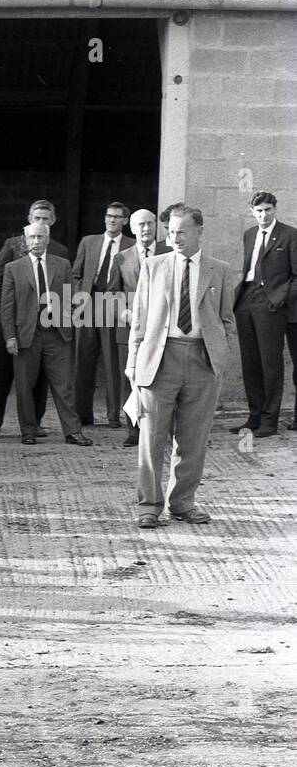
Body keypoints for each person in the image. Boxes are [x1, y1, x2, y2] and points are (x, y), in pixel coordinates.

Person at [127, 205, 234, 527]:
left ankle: (183, 503)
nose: (175, 238)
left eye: (182, 232)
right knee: (151, 437)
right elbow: (140, 319)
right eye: (170, 232)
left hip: (202, 360)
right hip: (160, 359)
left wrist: (221, 355)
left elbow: (227, 320)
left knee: (193, 439)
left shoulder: (220, 269)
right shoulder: (153, 267)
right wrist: (133, 364)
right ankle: (149, 505)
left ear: (199, 231)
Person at [0, 223, 91, 447]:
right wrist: (10, 336)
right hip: (26, 333)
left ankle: (73, 431)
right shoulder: (14, 268)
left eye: (41, 237)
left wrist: (69, 322)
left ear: (48, 239)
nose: (37, 241)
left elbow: (70, 298)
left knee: (64, 384)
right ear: (25, 240)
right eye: (32, 237)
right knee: (24, 384)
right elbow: (7, 306)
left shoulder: (62, 265)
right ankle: (28, 430)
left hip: (56, 332)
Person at [234, 191, 294, 439]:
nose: (263, 215)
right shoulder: (249, 235)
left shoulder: (290, 235)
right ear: (252, 211)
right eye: (259, 210)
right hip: (246, 300)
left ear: (275, 209)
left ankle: (270, 420)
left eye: (268, 209)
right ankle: (254, 416)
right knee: (251, 362)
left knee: (271, 363)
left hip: (270, 304)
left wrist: (278, 298)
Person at [71, 203, 132, 429]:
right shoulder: (89, 242)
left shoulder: (131, 246)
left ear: (125, 221)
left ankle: (114, 415)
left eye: (117, 217)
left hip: (114, 304)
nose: (112, 220)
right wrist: (78, 296)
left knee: (113, 362)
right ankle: (82, 414)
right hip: (88, 303)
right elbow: (76, 273)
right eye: (109, 216)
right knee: (83, 360)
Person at [115, 209, 165, 447]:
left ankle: (159, 429)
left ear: (156, 226)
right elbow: (113, 292)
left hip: (162, 328)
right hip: (130, 327)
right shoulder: (122, 257)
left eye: (149, 224)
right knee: (131, 378)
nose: (146, 229)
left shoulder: (168, 252)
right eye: (141, 225)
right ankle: (133, 431)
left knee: (161, 377)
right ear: (132, 229)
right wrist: (123, 311)